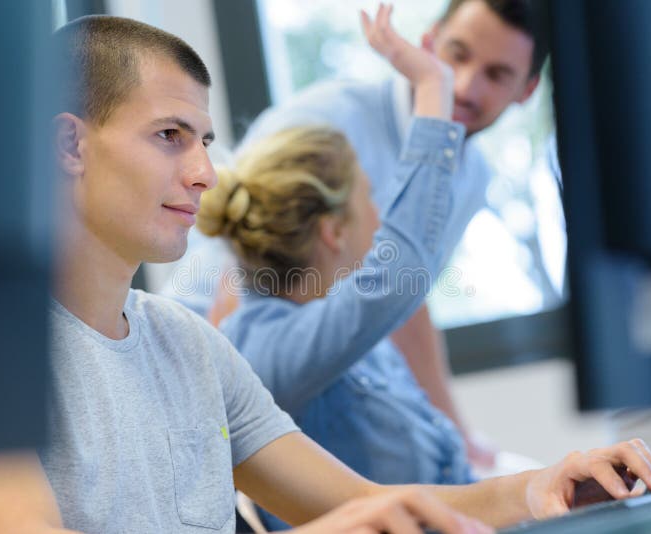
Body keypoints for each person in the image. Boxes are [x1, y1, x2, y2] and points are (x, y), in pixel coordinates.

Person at [0, 12, 651, 534]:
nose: (205, 173)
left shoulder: (191, 348)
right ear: (68, 146)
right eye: (170, 137)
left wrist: (537, 488)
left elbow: (368, 501)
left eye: (206, 141)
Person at [169, 0, 550, 471]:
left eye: (496, 74)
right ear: (428, 44)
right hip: (217, 361)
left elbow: (404, 301)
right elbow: (239, 280)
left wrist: (460, 438)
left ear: (527, 89)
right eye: (457, 56)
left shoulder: (469, 176)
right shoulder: (327, 127)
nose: (466, 86)